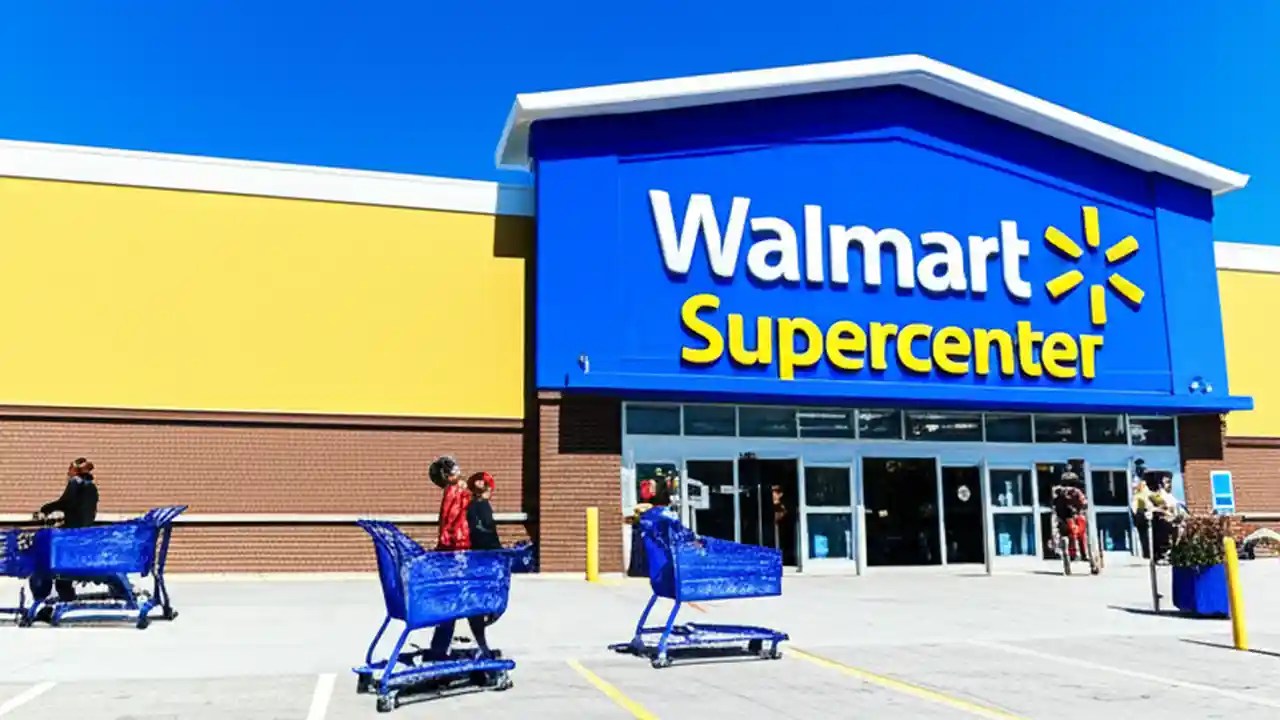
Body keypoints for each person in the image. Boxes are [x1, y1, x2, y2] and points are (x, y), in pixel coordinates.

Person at [29, 459, 130, 615]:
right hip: (82, 534)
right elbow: (79, 511)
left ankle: (59, 596)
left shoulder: (76, 485)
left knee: (52, 558)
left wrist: (46, 508)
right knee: (63, 565)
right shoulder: (91, 487)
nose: (68, 473)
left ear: (76, 472)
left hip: (73, 535)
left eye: (70, 469)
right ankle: (65, 594)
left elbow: (66, 503)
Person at [424, 457, 491, 661]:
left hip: (454, 555)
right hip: (460, 556)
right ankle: (480, 647)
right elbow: (454, 529)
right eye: (452, 468)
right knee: (469, 604)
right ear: (446, 475)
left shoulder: (453, 492)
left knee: (452, 604)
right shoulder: (457, 491)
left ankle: (440, 647)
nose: (457, 469)